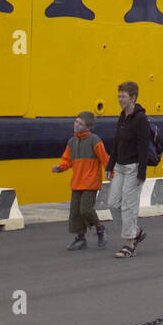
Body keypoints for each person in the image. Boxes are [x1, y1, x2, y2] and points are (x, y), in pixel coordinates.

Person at [52, 111, 109, 251]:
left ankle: (99, 228)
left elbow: (104, 158)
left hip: (90, 183)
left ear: (88, 127)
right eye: (76, 122)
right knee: (75, 212)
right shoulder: (72, 142)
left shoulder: (95, 140)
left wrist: (110, 171)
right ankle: (81, 238)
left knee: (86, 209)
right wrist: (60, 168)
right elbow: (67, 160)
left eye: (80, 124)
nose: (76, 125)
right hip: (77, 182)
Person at [105, 81, 149, 259]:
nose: (119, 99)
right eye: (118, 96)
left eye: (122, 96)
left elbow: (143, 146)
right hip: (120, 167)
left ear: (133, 97)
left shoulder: (140, 118)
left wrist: (142, 173)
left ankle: (129, 244)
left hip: (133, 167)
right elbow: (117, 142)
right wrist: (110, 165)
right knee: (113, 203)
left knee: (128, 207)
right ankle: (136, 231)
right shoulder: (122, 116)